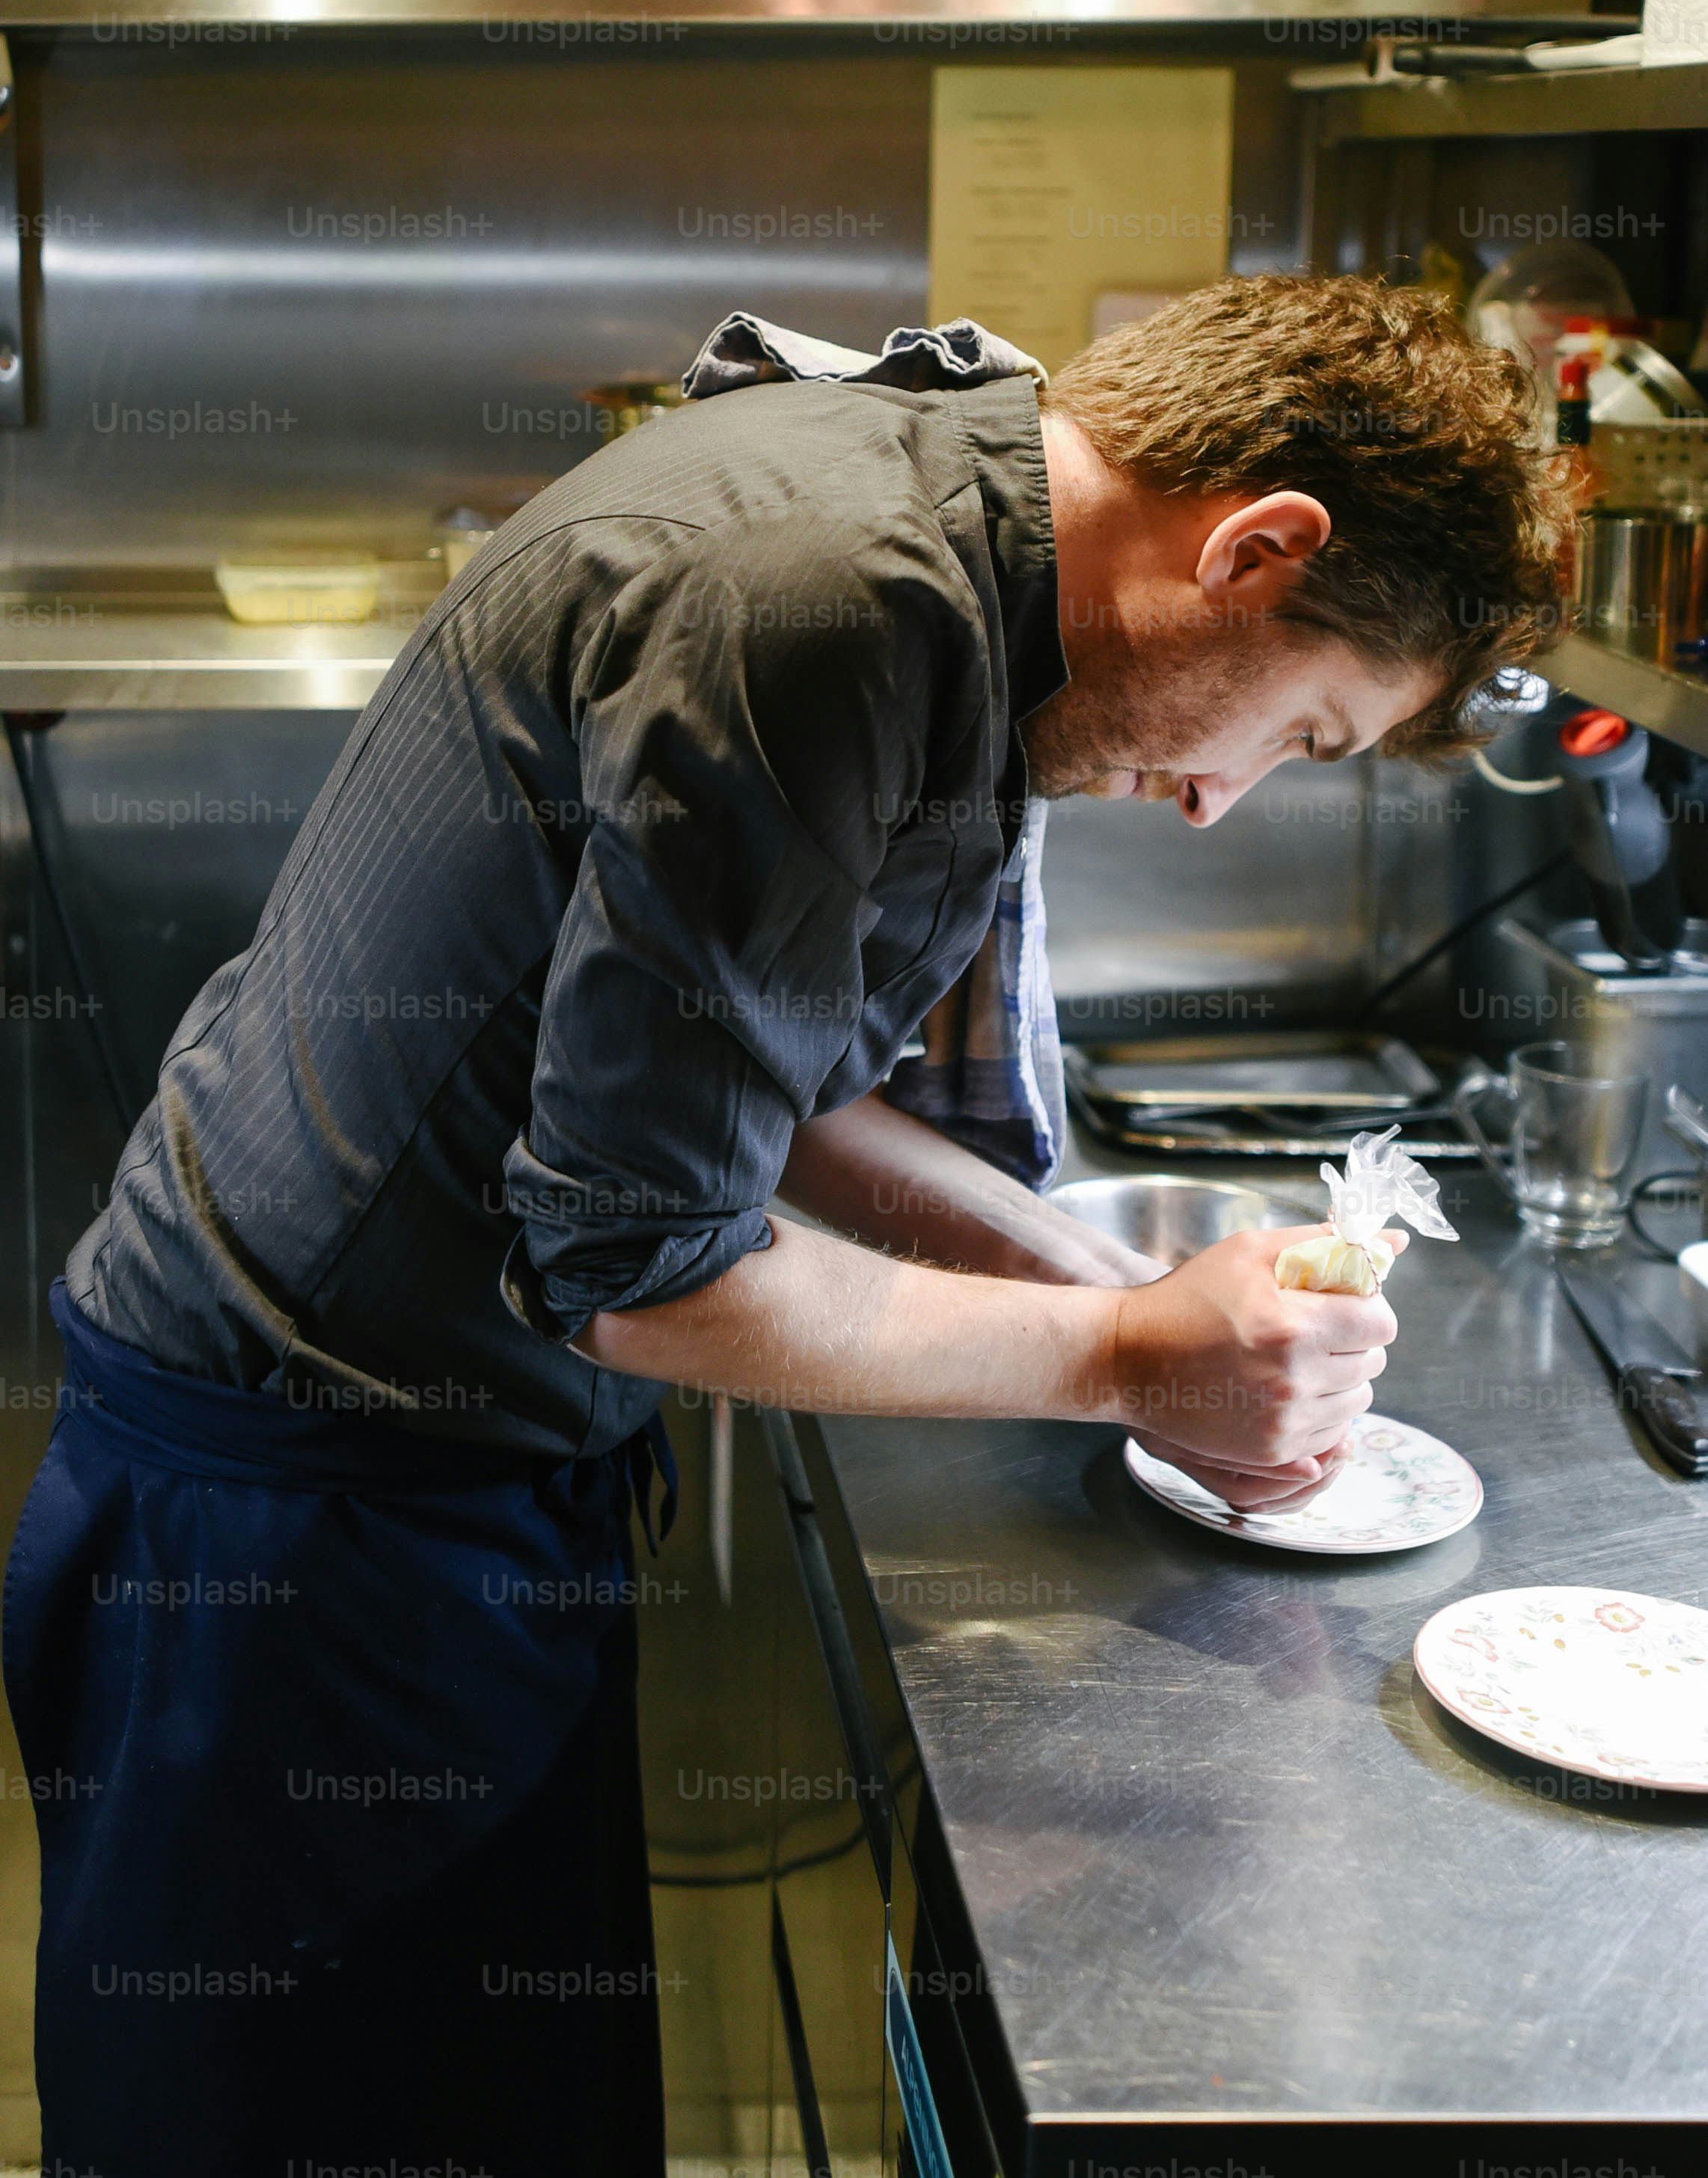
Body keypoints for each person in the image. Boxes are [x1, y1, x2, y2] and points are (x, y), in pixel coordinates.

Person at [3, 273, 1570, 2177]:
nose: (1220, 798)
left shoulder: (931, 539)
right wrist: (1129, 1357)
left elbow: (769, 1072)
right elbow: (643, 1264)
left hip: (435, 1477)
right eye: (1299, 730)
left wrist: (1092, 1276)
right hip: (294, 1515)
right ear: (1251, 549)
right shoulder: (821, 599)